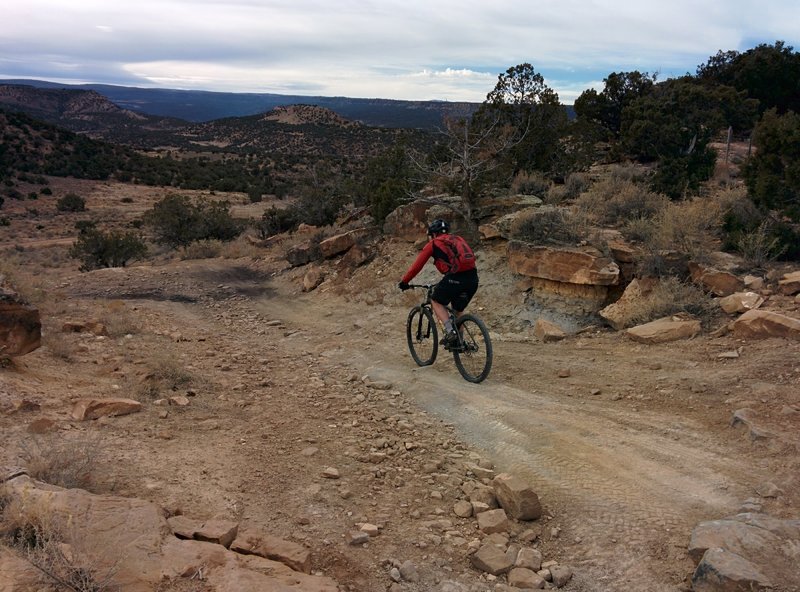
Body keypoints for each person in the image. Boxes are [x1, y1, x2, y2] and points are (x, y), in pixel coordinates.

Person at [398, 219, 478, 347]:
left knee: (436, 301)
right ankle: (460, 342)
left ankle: (450, 332)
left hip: (455, 278)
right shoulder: (457, 239)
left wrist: (404, 282)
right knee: (458, 310)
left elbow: (416, 267)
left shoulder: (434, 243)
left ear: (434, 234)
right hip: (473, 278)